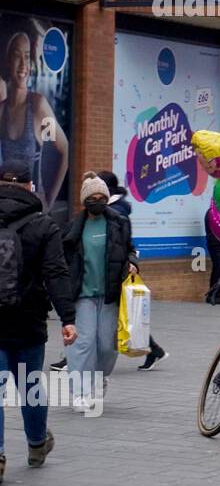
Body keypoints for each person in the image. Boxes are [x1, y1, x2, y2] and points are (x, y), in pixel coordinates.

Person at [0, 160, 74, 484]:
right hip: (29, 321)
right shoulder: (45, 226)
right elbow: (56, 273)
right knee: (30, 387)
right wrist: (68, 318)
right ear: (31, 186)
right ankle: (36, 444)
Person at [63, 172, 136, 410]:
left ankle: (100, 377)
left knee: (107, 344)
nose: (97, 200)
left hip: (110, 293)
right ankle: (79, 393)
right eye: (92, 197)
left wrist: (133, 262)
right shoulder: (74, 227)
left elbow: (130, 249)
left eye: (101, 196)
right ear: (85, 200)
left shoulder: (119, 223)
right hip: (82, 293)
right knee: (83, 343)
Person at [97, 171, 166, 371]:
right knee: (123, 312)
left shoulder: (116, 211)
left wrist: (131, 260)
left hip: (116, 269)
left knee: (123, 312)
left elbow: (124, 243)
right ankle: (154, 350)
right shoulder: (112, 208)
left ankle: (153, 349)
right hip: (110, 268)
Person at [0, 28, 69, 213]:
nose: (23, 64)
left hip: (33, 214)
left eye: (27, 56)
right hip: (6, 212)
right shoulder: (1, 111)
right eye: (16, 56)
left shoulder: (38, 106)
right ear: (8, 61)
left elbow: (64, 149)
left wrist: (49, 202)